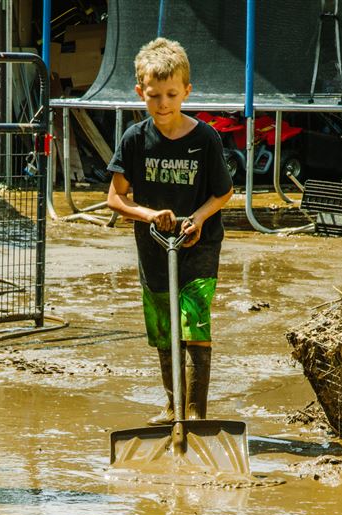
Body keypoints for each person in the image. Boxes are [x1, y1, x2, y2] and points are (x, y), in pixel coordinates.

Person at [105, 38, 234, 423]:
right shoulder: (135, 140)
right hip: (154, 246)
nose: (163, 104)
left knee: (193, 318)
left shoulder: (204, 138)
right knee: (164, 325)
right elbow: (116, 198)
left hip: (199, 244)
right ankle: (171, 406)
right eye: (154, 95)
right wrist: (148, 215)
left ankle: (195, 412)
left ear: (187, 92)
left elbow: (223, 192)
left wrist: (197, 217)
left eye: (171, 94)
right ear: (140, 92)